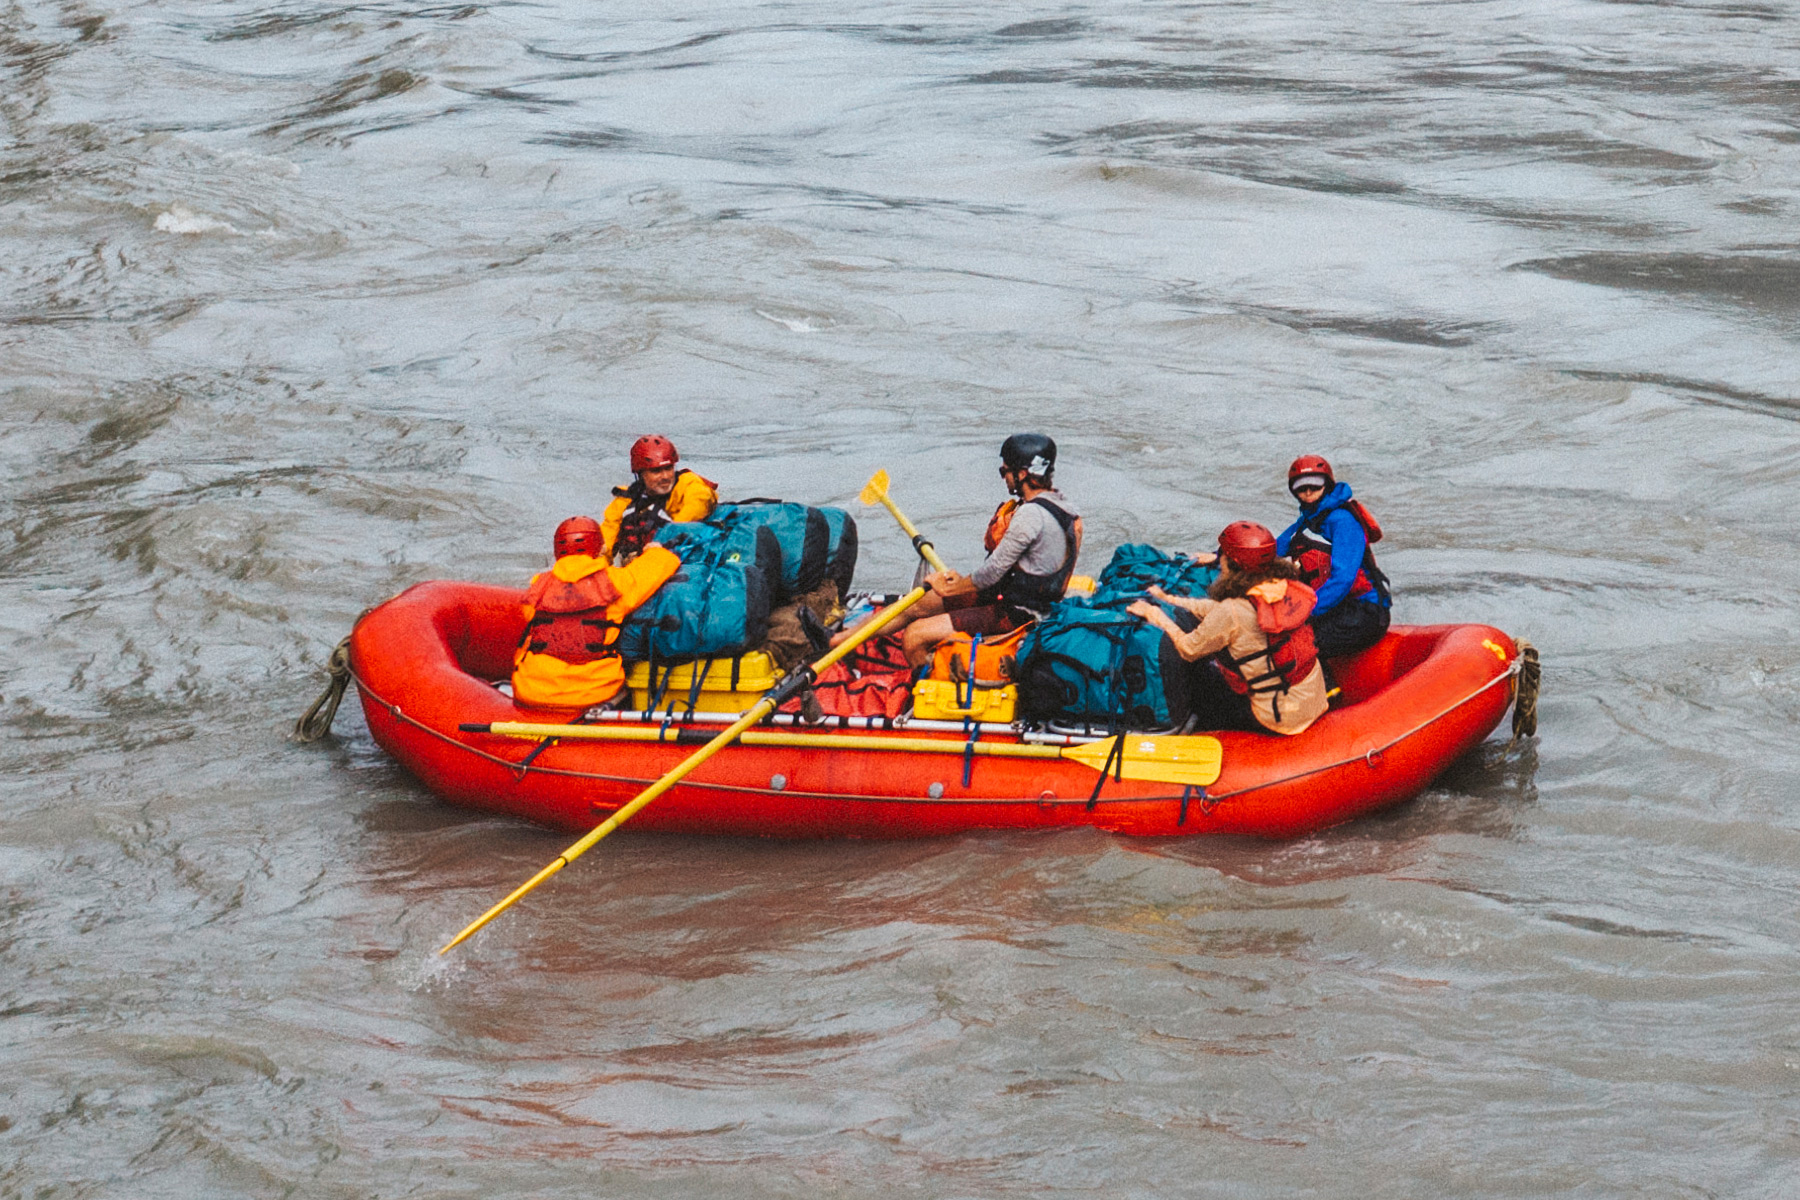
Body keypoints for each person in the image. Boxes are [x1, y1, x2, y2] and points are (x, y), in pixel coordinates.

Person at [833, 433, 1082, 666]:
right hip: (1010, 597)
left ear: (1023, 474)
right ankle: (841, 640)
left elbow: (991, 573)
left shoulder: (1030, 515)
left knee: (914, 637)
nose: (1004, 478)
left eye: (1004, 471)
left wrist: (951, 587)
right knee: (916, 604)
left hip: (1019, 615)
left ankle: (934, 683)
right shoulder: (1068, 511)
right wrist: (958, 585)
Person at [1128, 521, 1328, 735]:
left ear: (1231, 563)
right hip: (1312, 701)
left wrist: (1156, 615)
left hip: (1279, 718)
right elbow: (1223, 611)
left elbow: (1188, 649)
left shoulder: (1232, 611)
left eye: (1221, 556)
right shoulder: (1281, 587)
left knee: (1201, 674)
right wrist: (1169, 599)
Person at [512, 516, 682, 709]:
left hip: (532, 691)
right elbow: (662, 564)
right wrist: (655, 551)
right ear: (600, 549)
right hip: (594, 692)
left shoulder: (537, 585)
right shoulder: (617, 582)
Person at [1275, 454, 1391, 658]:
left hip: (1365, 611)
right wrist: (1221, 556)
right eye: (1301, 488)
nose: (1308, 492)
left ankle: (1329, 690)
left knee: (1299, 647)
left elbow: (1343, 578)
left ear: (1327, 484)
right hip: (1337, 608)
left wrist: (1304, 613)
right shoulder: (1307, 521)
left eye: (1315, 486)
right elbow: (1271, 549)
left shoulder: (1343, 521)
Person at [599, 435, 718, 564]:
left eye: (668, 468)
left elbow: (700, 500)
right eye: (656, 471)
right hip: (636, 573)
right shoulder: (625, 501)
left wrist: (667, 539)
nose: (665, 476)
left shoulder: (687, 485)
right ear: (640, 474)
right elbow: (607, 536)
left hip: (676, 568)